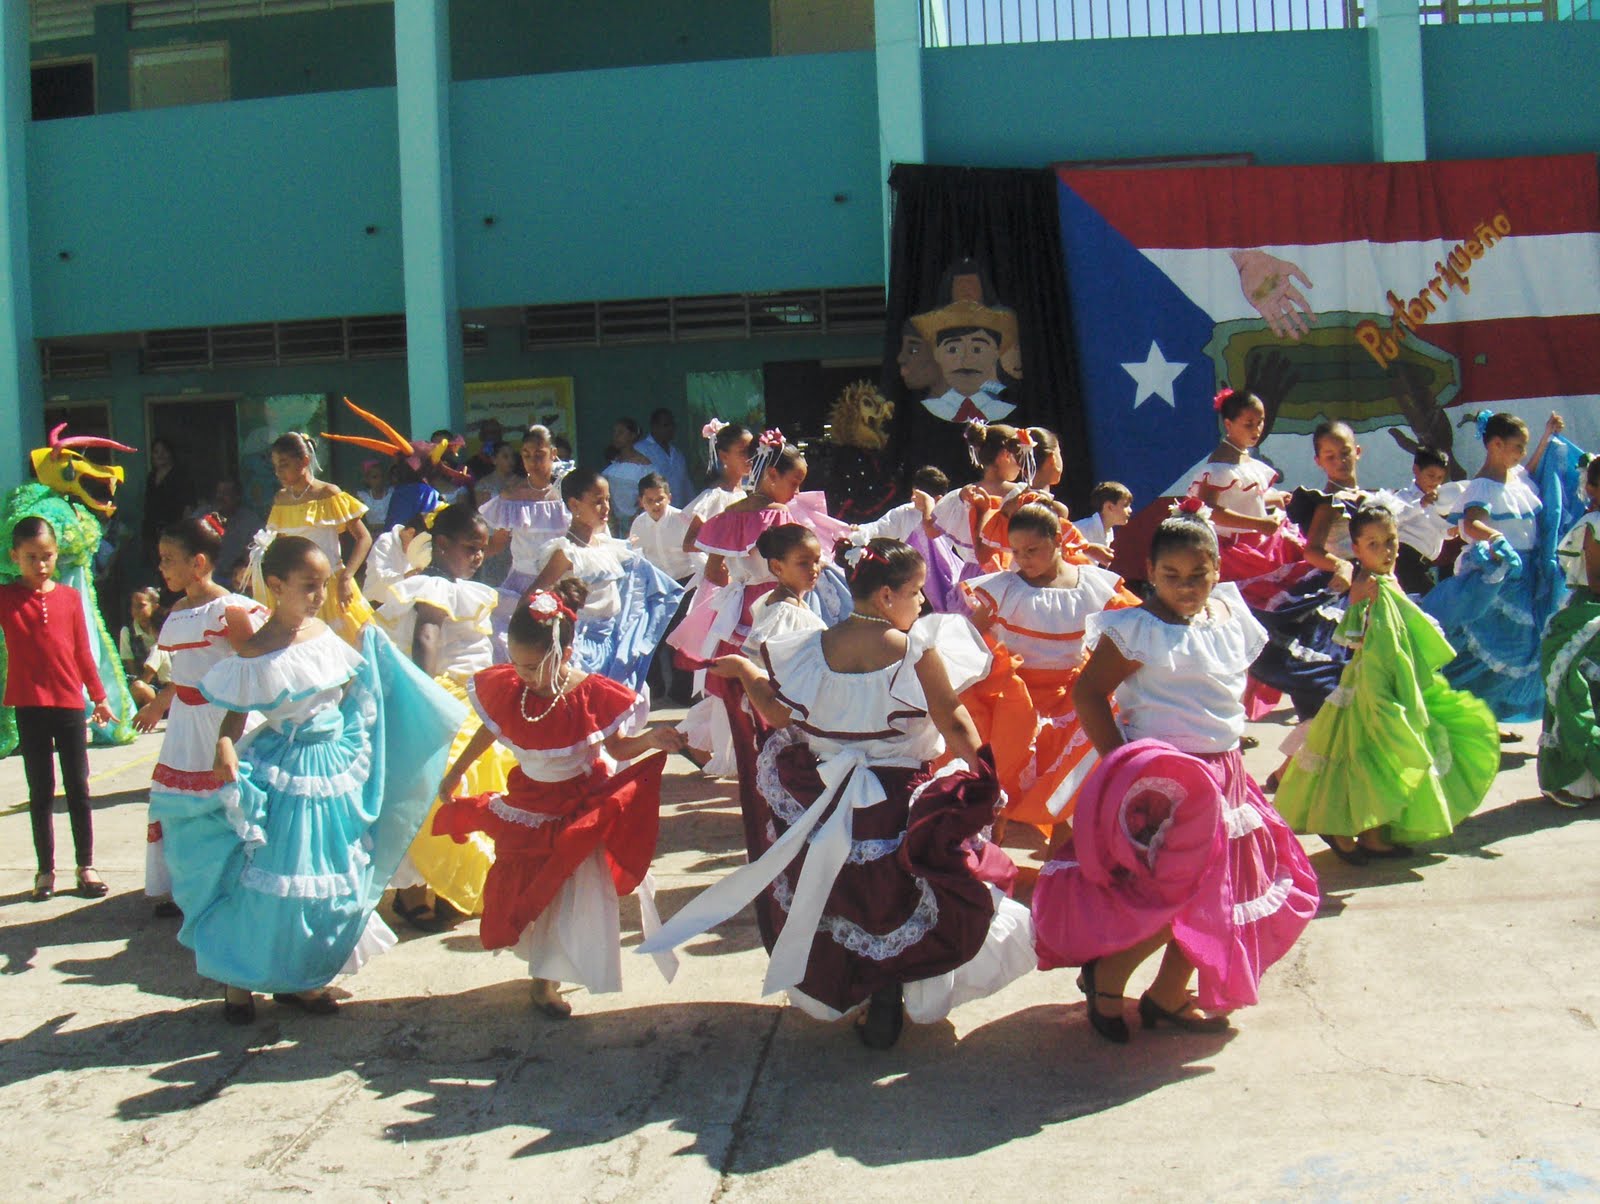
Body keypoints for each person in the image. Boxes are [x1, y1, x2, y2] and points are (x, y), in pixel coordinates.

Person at [641, 537, 1035, 1050]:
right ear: (888, 596)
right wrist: (983, 771)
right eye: (916, 592)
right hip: (896, 799)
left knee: (846, 898)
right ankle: (894, 992)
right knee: (900, 898)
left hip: (825, 800)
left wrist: (745, 670)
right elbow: (952, 717)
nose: (923, 603)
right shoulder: (914, 649)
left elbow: (778, 715)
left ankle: (867, 994)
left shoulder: (810, 648)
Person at [1032, 514, 1318, 1043]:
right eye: (1171, 575)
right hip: (1162, 784)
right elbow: (1088, 695)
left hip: (1225, 774)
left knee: (1224, 890)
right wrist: (1122, 768)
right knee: (1177, 894)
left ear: (1216, 571)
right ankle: (1109, 976)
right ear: (1149, 572)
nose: (1185, 587)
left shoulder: (1231, 617)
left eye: (1197, 575)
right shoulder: (1137, 629)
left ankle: (1166, 995)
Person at [158, 535, 460, 1023]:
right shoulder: (254, 650)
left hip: (333, 768)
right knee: (268, 879)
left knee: (327, 877)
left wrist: (375, 673)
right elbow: (234, 715)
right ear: (276, 585)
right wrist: (225, 746)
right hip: (286, 774)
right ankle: (240, 982)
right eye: (309, 586)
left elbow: (348, 687)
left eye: (323, 585)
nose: (320, 595)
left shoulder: (322, 634)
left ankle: (303, 976)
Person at [431, 580, 686, 1016]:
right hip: (528, 805)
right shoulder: (514, 689)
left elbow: (618, 748)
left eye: (532, 667)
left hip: (575, 809)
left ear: (564, 654)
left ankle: (546, 979)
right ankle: (542, 968)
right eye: (516, 664)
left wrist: (651, 740)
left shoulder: (592, 695)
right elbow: (489, 729)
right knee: (532, 890)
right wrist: (455, 770)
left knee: (568, 890)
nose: (522, 675)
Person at [1273, 504, 1498, 862]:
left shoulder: (1387, 579)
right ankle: (1350, 828)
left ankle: (1372, 833)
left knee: (1382, 759)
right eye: (1374, 544)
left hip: (1390, 679)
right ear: (1357, 549)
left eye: (1390, 541)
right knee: (1372, 757)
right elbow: (1360, 636)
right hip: (1372, 685)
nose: (1386, 551)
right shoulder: (1367, 585)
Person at [668, 437, 849, 776]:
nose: (796, 493)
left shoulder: (728, 515)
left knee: (732, 686)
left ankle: (727, 752)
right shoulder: (780, 517)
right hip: (777, 603)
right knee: (776, 681)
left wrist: (739, 585)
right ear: (772, 476)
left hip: (736, 608)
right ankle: (770, 754)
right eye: (794, 483)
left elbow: (712, 569)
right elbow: (801, 564)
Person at [963, 503, 1140, 835]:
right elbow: (967, 637)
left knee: (1070, 787)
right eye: (1016, 551)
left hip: (1075, 698)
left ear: (1058, 539)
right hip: (1015, 702)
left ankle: (1060, 862)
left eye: (1032, 550)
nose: (1023, 559)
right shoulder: (1005, 590)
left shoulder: (1094, 585)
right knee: (1003, 779)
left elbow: (1137, 624)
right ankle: (994, 840)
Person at [380, 504, 512, 930]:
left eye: (481, 549)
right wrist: (424, 695)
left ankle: (452, 882)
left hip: (476, 695)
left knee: (475, 783)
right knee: (434, 785)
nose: (478, 556)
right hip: (442, 692)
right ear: (441, 544)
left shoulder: (464, 587)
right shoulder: (434, 588)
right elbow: (427, 636)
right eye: (469, 547)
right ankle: (412, 889)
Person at [137, 515, 267, 918]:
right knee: (177, 804)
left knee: (221, 803)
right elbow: (186, 672)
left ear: (197, 563)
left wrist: (231, 734)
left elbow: (250, 672)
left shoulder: (230, 611)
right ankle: (186, 884)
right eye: (160, 559)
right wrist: (161, 701)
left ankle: (228, 884)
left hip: (221, 719)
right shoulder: (178, 608)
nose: (161, 567)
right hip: (185, 723)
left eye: (168, 559)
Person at [1423, 412, 1567, 724]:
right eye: (1518, 447)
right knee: (1493, 647)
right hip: (1501, 576)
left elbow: (1528, 472)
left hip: (1526, 574)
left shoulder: (1514, 478)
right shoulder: (1482, 487)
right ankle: (1459, 708)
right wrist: (1496, 537)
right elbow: (1472, 523)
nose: (1522, 454)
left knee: (1520, 648)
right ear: (1497, 445)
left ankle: (1487, 713)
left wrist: (1546, 437)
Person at [0, 517, 116, 901]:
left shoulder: (68, 598)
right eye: (31, 557)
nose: (41, 565)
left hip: (68, 703)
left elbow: (83, 652)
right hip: (29, 706)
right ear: (15, 556)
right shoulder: (6, 598)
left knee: (78, 787)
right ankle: (45, 871)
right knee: (40, 790)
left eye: (47, 556)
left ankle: (86, 866)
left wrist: (99, 697)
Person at [527, 466, 684, 695]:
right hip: (581, 648)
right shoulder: (566, 552)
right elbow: (533, 595)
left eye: (608, 499)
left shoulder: (609, 547)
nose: (607, 507)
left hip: (612, 643)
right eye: (598, 501)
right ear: (574, 505)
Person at [250, 432, 375, 647]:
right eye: (276, 466)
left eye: (285, 464)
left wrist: (346, 577)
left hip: (331, 585)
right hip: (295, 590)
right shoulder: (280, 499)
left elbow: (364, 538)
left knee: (349, 647)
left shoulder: (327, 493)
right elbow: (279, 544)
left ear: (304, 461)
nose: (279, 472)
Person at [1188, 388, 1299, 589]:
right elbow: (1209, 511)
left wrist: (1273, 498)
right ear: (1228, 424)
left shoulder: (1242, 455)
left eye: (1260, 422)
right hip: (1236, 552)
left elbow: (1239, 498)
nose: (1256, 430)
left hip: (1258, 543)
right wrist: (1258, 523)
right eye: (1248, 424)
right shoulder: (1220, 465)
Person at [479, 426, 571, 660]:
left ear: (553, 453)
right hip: (521, 583)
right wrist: (468, 555)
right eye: (526, 455)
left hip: (563, 581)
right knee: (506, 638)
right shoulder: (512, 496)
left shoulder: (568, 494)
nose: (532, 461)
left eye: (539, 454)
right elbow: (498, 543)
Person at [1539, 456, 1600, 807]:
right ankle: (1571, 779)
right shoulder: (1594, 523)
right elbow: (1595, 578)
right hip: (1589, 613)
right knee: (1575, 693)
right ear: (1591, 488)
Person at [630, 472, 704, 705]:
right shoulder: (638, 524)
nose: (656, 505)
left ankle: (683, 693)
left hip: (686, 583)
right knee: (651, 637)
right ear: (641, 501)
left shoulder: (682, 520)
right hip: (657, 587)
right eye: (649, 500)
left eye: (660, 499)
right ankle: (655, 688)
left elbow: (697, 554)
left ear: (669, 497)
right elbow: (635, 558)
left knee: (683, 640)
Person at [930, 421, 1026, 574]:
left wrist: (928, 506)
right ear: (1005, 455)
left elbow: (931, 531)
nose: (1021, 465)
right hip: (1016, 576)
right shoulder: (1023, 495)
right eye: (1019, 456)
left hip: (973, 577)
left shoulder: (959, 497)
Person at [1392, 446, 1462, 597]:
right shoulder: (1404, 496)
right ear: (1416, 470)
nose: (1435, 482)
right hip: (1405, 559)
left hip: (1425, 564)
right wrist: (1420, 504)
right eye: (1431, 475)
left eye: (1440, 478)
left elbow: (1438, 528)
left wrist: (1450, 532)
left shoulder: (1438, 501)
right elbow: (1395, 518)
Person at [140, 438, 195, 572]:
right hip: (153, 530)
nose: (160, 455)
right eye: (156, 452)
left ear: (171, 453)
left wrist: (183, 528)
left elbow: (188, 503)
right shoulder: (151, 476)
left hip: (173, 527)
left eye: (164, 451)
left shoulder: (180, 475)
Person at [196, 478, 263, 588]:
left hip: (234, 581)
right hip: (203, 577)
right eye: (219, 493)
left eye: (226, 494)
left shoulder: (250, 521)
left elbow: (256, 552)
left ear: (237, 497)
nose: (220, 498)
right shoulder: (203, 515)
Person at [600, 418, 656, 534]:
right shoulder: (613, 466)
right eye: (614, 432)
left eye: (621, 432)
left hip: (636, 522)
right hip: (614, 523)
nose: (616, 436)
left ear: (632, 436)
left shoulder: (644, 467)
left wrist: (637, 517)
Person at [637, 408, 696, 507]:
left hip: (679, 514)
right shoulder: (640, 450)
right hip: (654, 513)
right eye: (665, 425)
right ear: (654, 427)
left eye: (672, 425)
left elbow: (686, 486)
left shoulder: (677, 454)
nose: (670, 429)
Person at [118, 586, 167, 706]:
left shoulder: (165, 628)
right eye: (133, 606)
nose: (136, 610)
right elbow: (130, 666)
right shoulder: (128, 632)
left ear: (154, 606)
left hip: (169, 687)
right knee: (138, 687)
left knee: (158, 649)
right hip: (148, 688)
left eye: (141, 606)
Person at [1075, 482, 1134, 552]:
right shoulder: (1080, 529)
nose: (1130, 510)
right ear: (1109, 507)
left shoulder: (1109, 532)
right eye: (1125, 505)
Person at [356, 460, 394, 531]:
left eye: (381, 476)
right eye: (375, 477)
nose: (379, 480)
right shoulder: (363, 497)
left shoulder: (391, 494)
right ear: (367, 479)